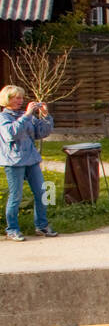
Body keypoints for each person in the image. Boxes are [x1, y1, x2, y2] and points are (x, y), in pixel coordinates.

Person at [1, 85, 58, 241]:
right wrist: (26, 115)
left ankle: (42, 226)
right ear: (7, 99)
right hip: (14, 162)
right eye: (16, 98)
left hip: (31, 160)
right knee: (16, 196)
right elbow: (11, 134)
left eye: (21, 97)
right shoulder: (4, 117)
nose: (20, 100)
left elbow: (42, 132)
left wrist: (45, 116)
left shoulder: (27, 116)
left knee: (41, 193)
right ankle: (12, 229)